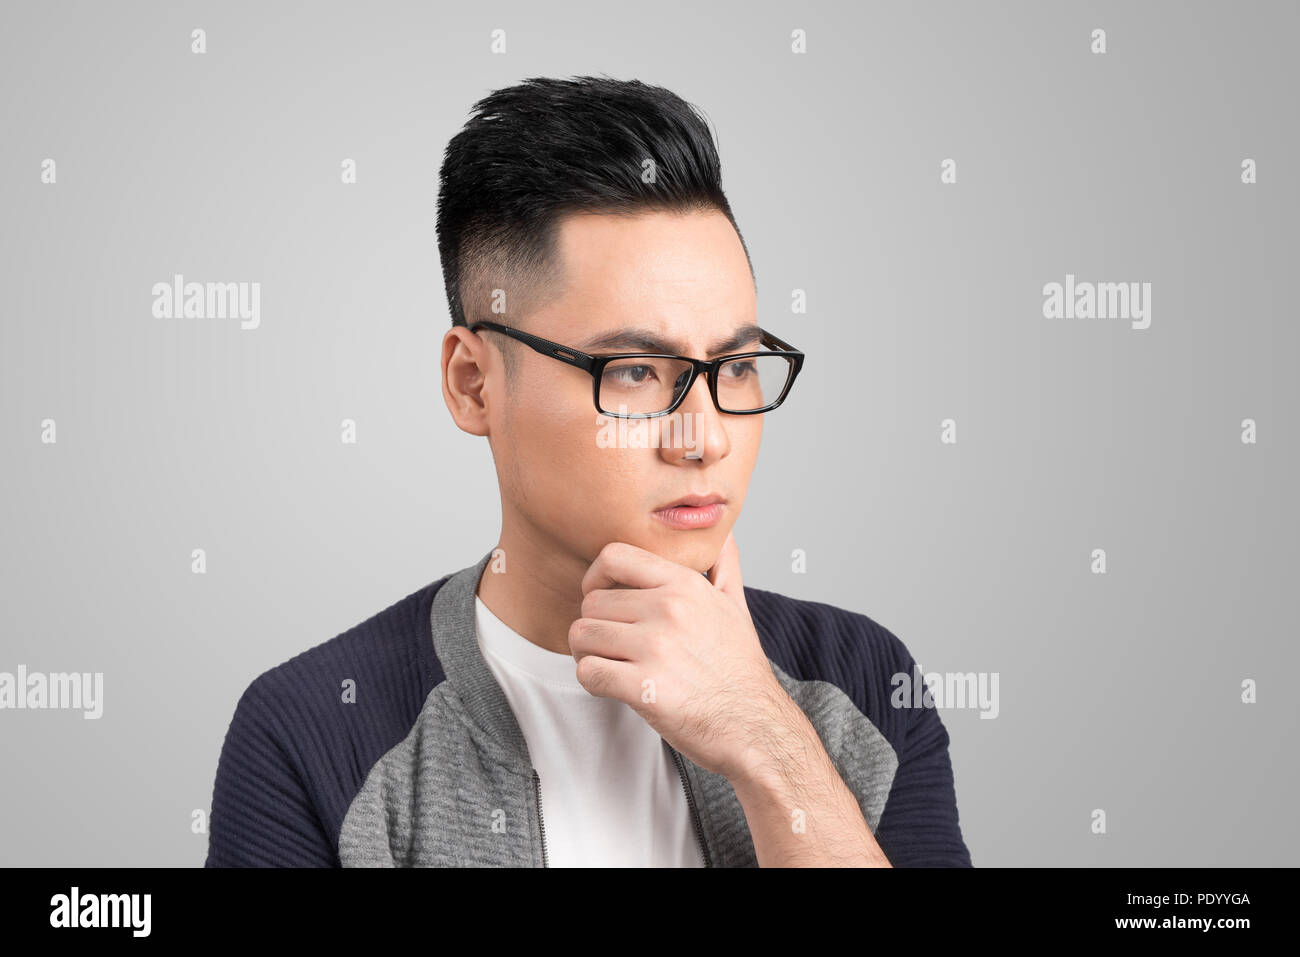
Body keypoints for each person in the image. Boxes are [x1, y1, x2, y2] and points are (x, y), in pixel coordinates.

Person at [205, 75, 971, 868]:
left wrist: (768, 743)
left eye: (737, 364)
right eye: (637, 370)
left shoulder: (861, 685)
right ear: (475, 384)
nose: (702, 437)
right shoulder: (313, 732)